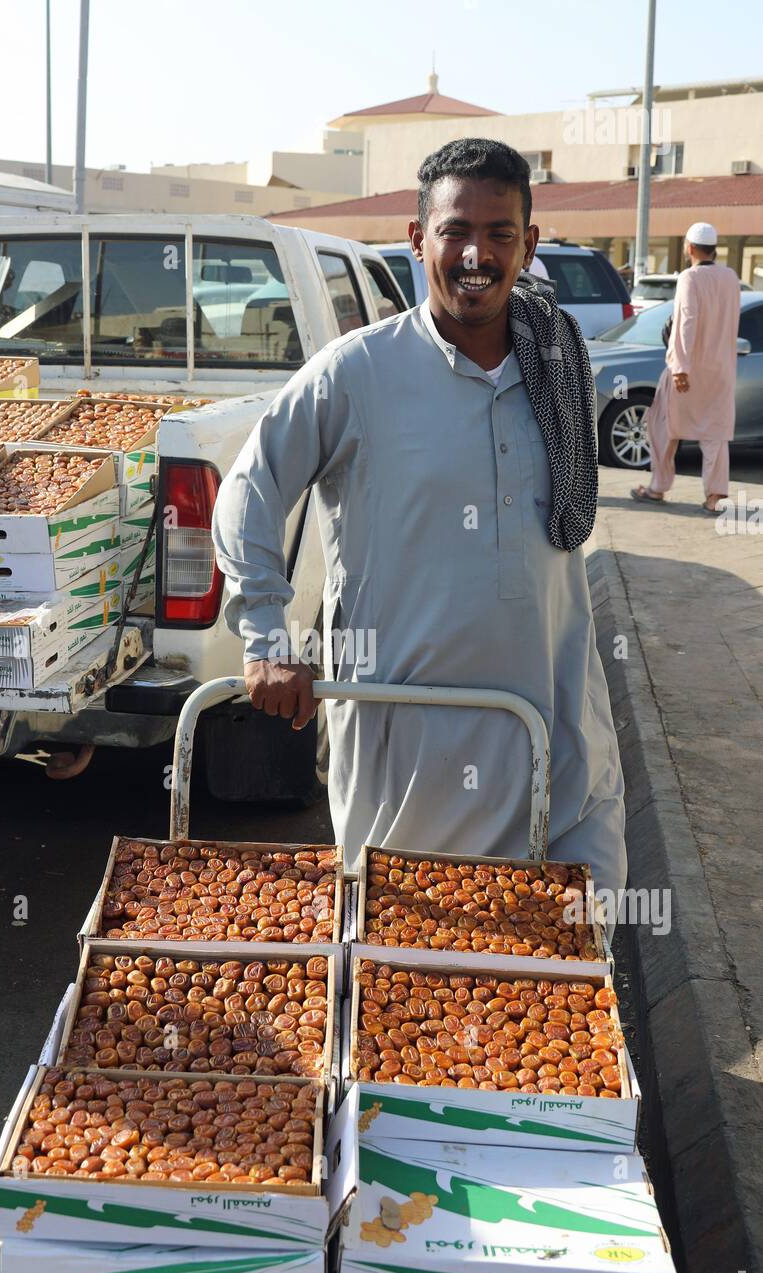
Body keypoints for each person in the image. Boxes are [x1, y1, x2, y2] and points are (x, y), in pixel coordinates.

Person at [211, 138, 626, 898]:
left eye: (500, 234)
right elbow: (250, 486)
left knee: (565, 971)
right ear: (416, 240)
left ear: (528, 246)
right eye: (454, 231)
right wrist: (268, 633)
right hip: (407, 748)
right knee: (404, 968)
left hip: (554, 732)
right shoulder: (357, 371)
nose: (476, 254)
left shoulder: (557, 364)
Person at [632, 222, 741, 514]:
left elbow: (687, 322)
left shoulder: (690, 278)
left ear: (690, 248)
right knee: (715, 433)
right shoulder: (731, 277)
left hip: (688, 369)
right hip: (720, 371)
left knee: (661, 425)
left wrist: (680, 367)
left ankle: (658, 487)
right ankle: (715, 495)